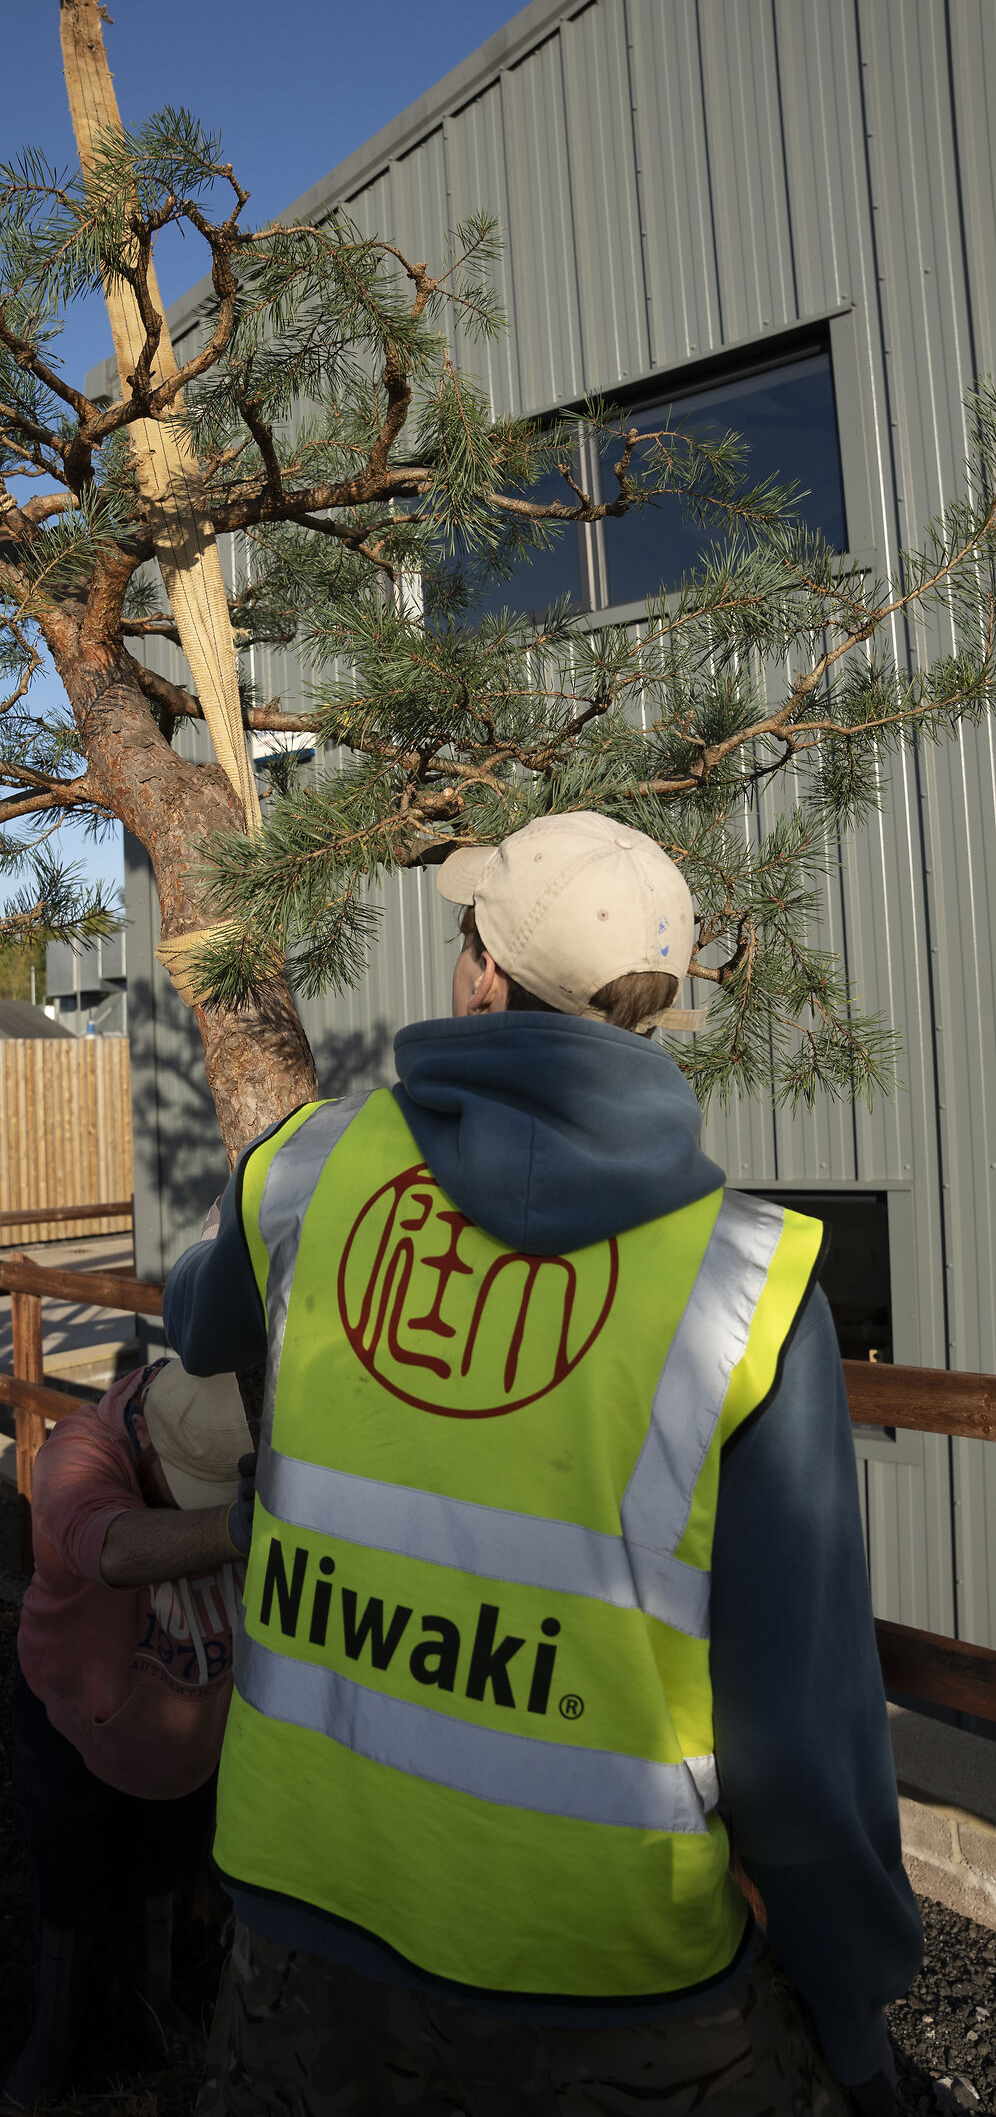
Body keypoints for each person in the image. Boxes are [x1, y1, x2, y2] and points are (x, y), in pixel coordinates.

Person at [163, 811, 922, 2117]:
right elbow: (800, 1741)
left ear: (480, 977)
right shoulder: (746, 1286)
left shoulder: (310, 1170)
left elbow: (198, 1322)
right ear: (652, 1010)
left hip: (301, 1925)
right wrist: (853, 2019)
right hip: (608, 1984)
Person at [1, 1354, 252, 2110]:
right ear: (147, 1444)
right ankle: (56, 2031)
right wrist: (240, 1525)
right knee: (69, 1883)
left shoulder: (222, 1415)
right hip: (74, 1718)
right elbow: (110, 1547)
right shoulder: (80, 1450)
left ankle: (152, 2001)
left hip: (186, 1734)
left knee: (164, 1871)